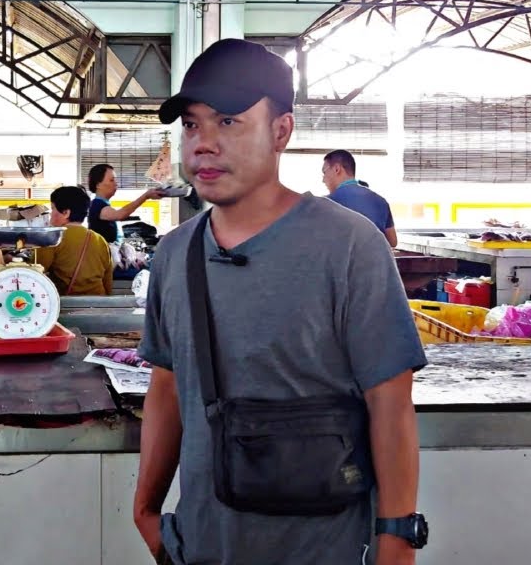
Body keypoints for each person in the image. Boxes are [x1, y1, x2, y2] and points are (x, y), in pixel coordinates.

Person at [134, 39, 428, 565]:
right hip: (202, 545)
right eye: (192, 125)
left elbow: (391, 403)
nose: (202, 144)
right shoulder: (175, 255)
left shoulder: (349, 246)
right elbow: (168, 385)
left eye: (227, 122)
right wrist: (146, 512)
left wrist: (397, 540)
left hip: (326, 549)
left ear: (281, 132)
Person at [34, 186, 114, 296]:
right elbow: (108, 282)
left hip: (68, 305)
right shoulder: (100, 240)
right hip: (98, 304)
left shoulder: (52, 238)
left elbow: (34, 271)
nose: (50, 214)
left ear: (66, 213)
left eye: (53, 209)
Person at [323, 149, 398, 247]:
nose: (323, 180)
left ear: (337, 169)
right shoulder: (381, 201)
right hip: (375, 261)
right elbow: (393, 242)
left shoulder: (326, 204)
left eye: (324, 172)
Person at [86, 164, 161, 244]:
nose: (116, 183)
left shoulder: (103, 204)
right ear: (98, 185)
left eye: (115, 180)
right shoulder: (97, 205)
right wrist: (145, 196)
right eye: (111, 180)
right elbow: (120, 215)